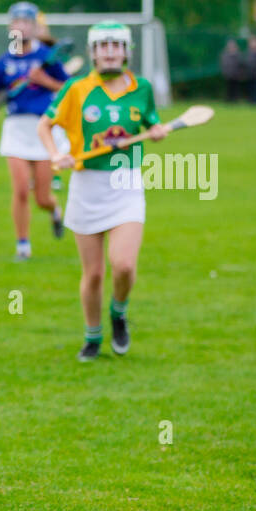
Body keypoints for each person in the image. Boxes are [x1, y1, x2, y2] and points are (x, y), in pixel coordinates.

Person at [37, 21, 168, 362]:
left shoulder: (142, 89)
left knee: (123, 265)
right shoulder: (76, 89)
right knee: (93, 273)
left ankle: (119, 312)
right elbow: (44, 125)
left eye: (116, 45)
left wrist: (156, 131)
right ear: (93, 52)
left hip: (126, 183)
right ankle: (92, 337)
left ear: (126, 51)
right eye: (103, 46)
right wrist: (56, 154)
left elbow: (151, 122)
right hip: (86, 186)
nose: (110, 51)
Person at [0, 2, 70, 260]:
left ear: (34, 27)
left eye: (26, 22)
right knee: (20, 190)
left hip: (43, 129)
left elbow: (68, 90)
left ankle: (54, 211)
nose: (20, 26)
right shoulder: (5, 60)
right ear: (11, 27)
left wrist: (45, 81)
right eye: (16, 22)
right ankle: (23, 245)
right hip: (15, 128)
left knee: (42, 197)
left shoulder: (47, 57)